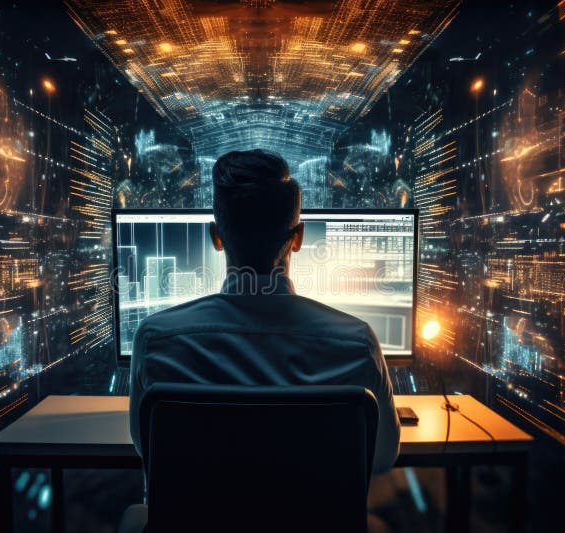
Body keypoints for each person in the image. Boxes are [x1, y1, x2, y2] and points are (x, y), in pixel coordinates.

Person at [127, 149, 400, 527]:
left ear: (216, 237)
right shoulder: (357, 342)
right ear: (299, 237)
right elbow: (383, 456)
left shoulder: (154, 338)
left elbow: (147, 448)